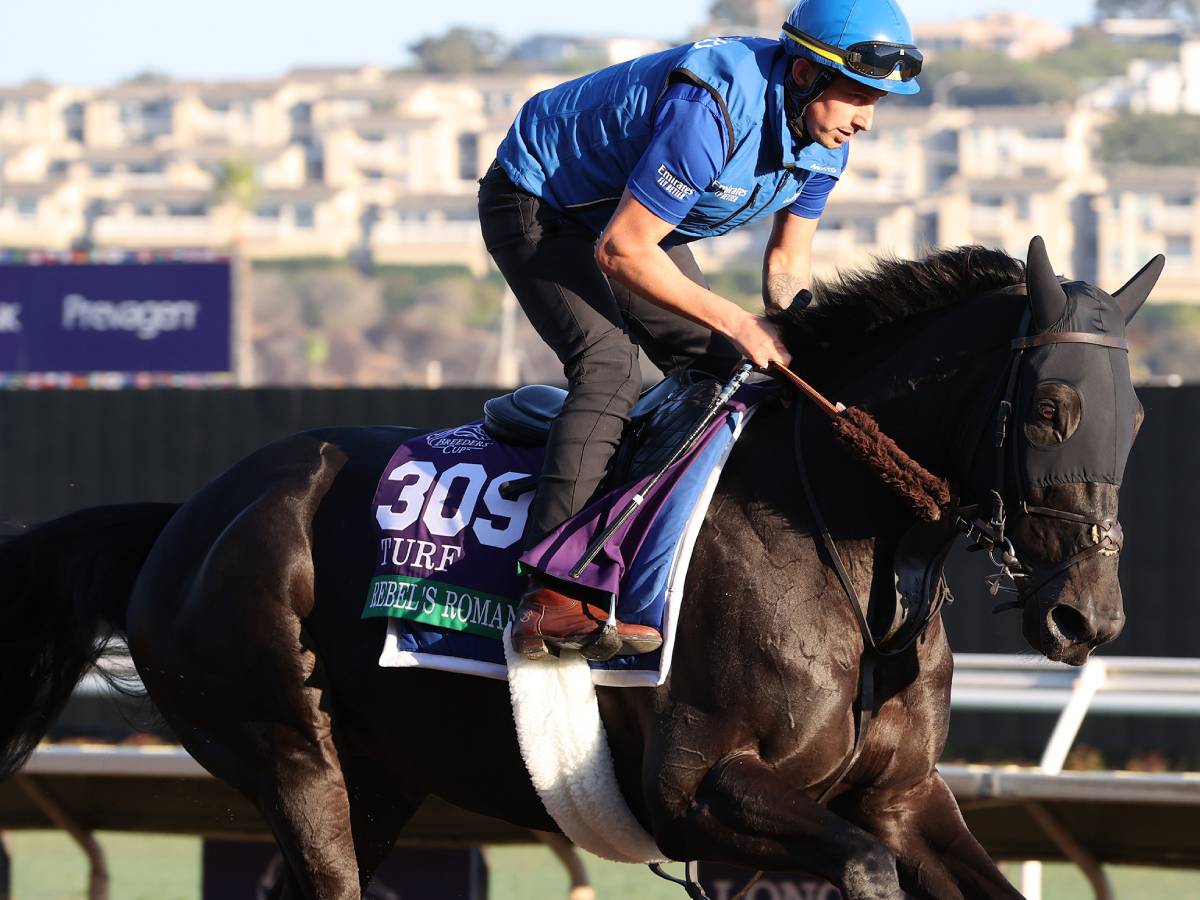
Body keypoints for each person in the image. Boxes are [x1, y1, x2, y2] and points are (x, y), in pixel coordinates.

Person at [478, 0, 923, 661]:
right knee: (607, 366)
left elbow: (785, 265)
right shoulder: (711, 109)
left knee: (726, 370)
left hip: (624, 221)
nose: (864, 118)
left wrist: (808, 345)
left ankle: (640, 539)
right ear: (803, 75)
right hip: (540, 204)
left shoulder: (828, 145)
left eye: (877, 102)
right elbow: (623, 252)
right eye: (857, 95)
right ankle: (550, 594)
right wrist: (742, 321)